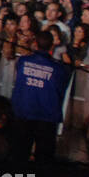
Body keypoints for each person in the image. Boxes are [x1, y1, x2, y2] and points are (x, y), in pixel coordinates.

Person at [10, 30, 71, 164]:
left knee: (19, 155)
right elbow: (64, 81)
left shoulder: (23, 61)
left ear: (35, 44)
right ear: (51, 46)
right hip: (46, 117)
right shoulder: (58, 68)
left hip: (24, 113)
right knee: (43, 159)